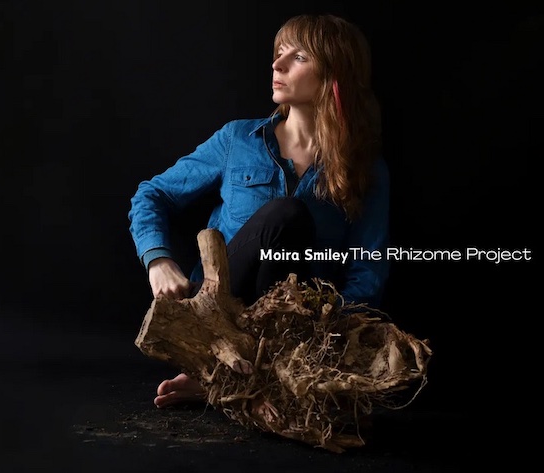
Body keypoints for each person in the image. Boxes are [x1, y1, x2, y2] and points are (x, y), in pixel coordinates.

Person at [128, 13, 390, 408]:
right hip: (220, 313)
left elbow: (368, 268)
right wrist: (158, 261)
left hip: (294, 333)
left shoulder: (365, 167)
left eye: (298, 57)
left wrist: (327, 323)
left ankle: (240, 377)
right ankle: (218, 366)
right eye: (278, 53)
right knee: (285, 214)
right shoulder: (237, 139)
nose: (277, 64)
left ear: (335, 73)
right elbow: (151, 194)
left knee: (292, 221)